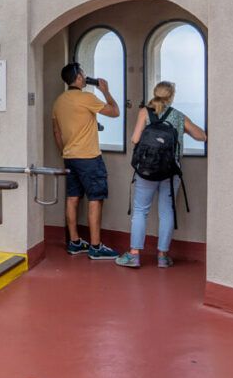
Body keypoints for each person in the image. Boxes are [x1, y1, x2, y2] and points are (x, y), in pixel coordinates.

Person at [116, 81, 207, 269]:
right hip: (170, 172)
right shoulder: (178, 116)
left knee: (140, 211)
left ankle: (134, 255)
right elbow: (202, 136)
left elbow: (134, 139)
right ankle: (163, 257)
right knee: (166, 212)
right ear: (171, 96)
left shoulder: (144, 112)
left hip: (146, 171)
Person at [52, 62, 120, 260]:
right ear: (79, 77)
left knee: (72, 198)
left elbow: (56, 132)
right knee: (95, 199)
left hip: (70, 157)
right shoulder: (87, 97)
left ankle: (74, 242)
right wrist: (105, 91)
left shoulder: (59, 101)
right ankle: (96, 246)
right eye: (83, 74)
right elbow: (115, 112)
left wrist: (64, 151)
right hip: (89, 157)